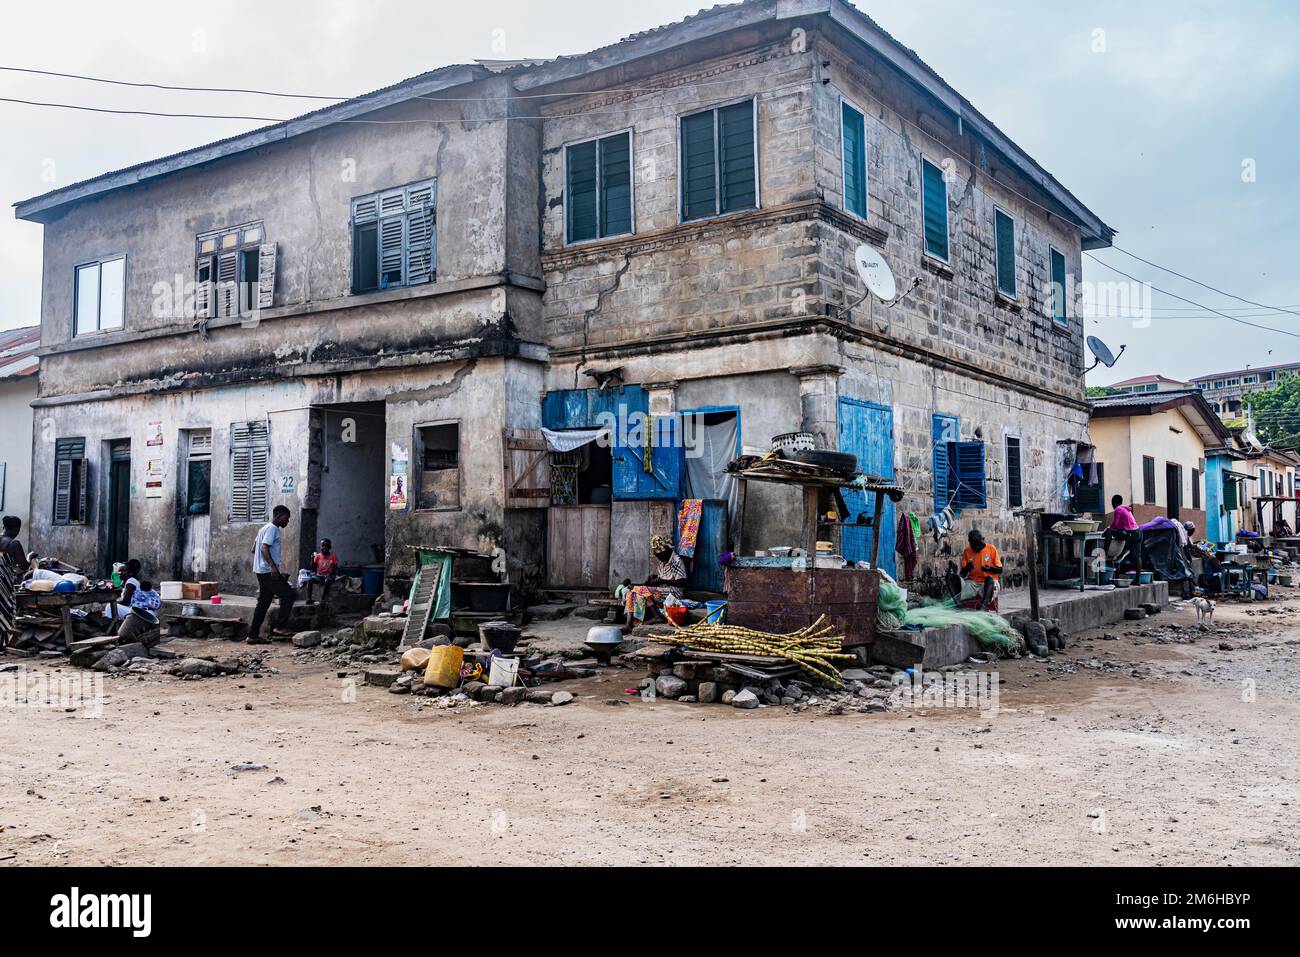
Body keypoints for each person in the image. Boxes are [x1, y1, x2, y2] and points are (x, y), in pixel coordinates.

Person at [248, 505, 296, 644]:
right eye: (287, 518)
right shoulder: (273, 529)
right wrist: (273, 567)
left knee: (263, 603)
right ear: (279, 516)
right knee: (289, 594)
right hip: (268, 572)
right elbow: (263, 548)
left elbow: (254, 549)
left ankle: (252, 635)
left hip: (260, 571)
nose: (287, 522)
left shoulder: (263, 528)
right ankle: (280, 627)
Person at [622, 534, 689, 630]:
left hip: (674, 593)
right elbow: (665, 577)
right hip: (664, 590)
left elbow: (682, 582)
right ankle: (629, 623)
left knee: (641, 589)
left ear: (664, 552)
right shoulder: (663, 561)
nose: (658, 558)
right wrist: (655, 578)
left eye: (659, 556)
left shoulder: (676, 560)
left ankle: (657, 616)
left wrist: (661, 580)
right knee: (632, 591)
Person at [959, 528, 1002, 611]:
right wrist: (967, 567)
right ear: (969, 542)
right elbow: (962, 574)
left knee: (989, 580)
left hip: (987, 584)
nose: (977, 547)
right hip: (973, 583)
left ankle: (983, 607)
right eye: (974, 545)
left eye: (978, 544)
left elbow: (1000, 569)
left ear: (983, 540)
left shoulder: (991, 549)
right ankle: (959, 608)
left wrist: (989, 568)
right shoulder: (967, 551)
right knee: (958, 585)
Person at [1103, 494, 1142, 573]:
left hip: (1132, 533)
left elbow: (1115, 525)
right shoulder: (1125, 509)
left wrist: (1106, 530)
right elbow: (1121, 525)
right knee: (1137, 557)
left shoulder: (1118, 509)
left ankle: (1105, 552)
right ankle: (1138, 580)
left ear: (1114, 503)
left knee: (1109, 531)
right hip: (1138, 532)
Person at [303, 538, 339, 605]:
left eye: (326, 546)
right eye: (322, 545)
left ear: (330, 547)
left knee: (328, 581)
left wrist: (331, 574)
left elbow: (335, 567)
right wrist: (312, 558)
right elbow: (313, 568)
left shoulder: (333, 556)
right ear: (320, 547)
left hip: (328, 575)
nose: (324, 547)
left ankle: (323, 598)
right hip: (319, 575)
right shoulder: (318, 556)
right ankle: (309, 598)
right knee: (310, 581)